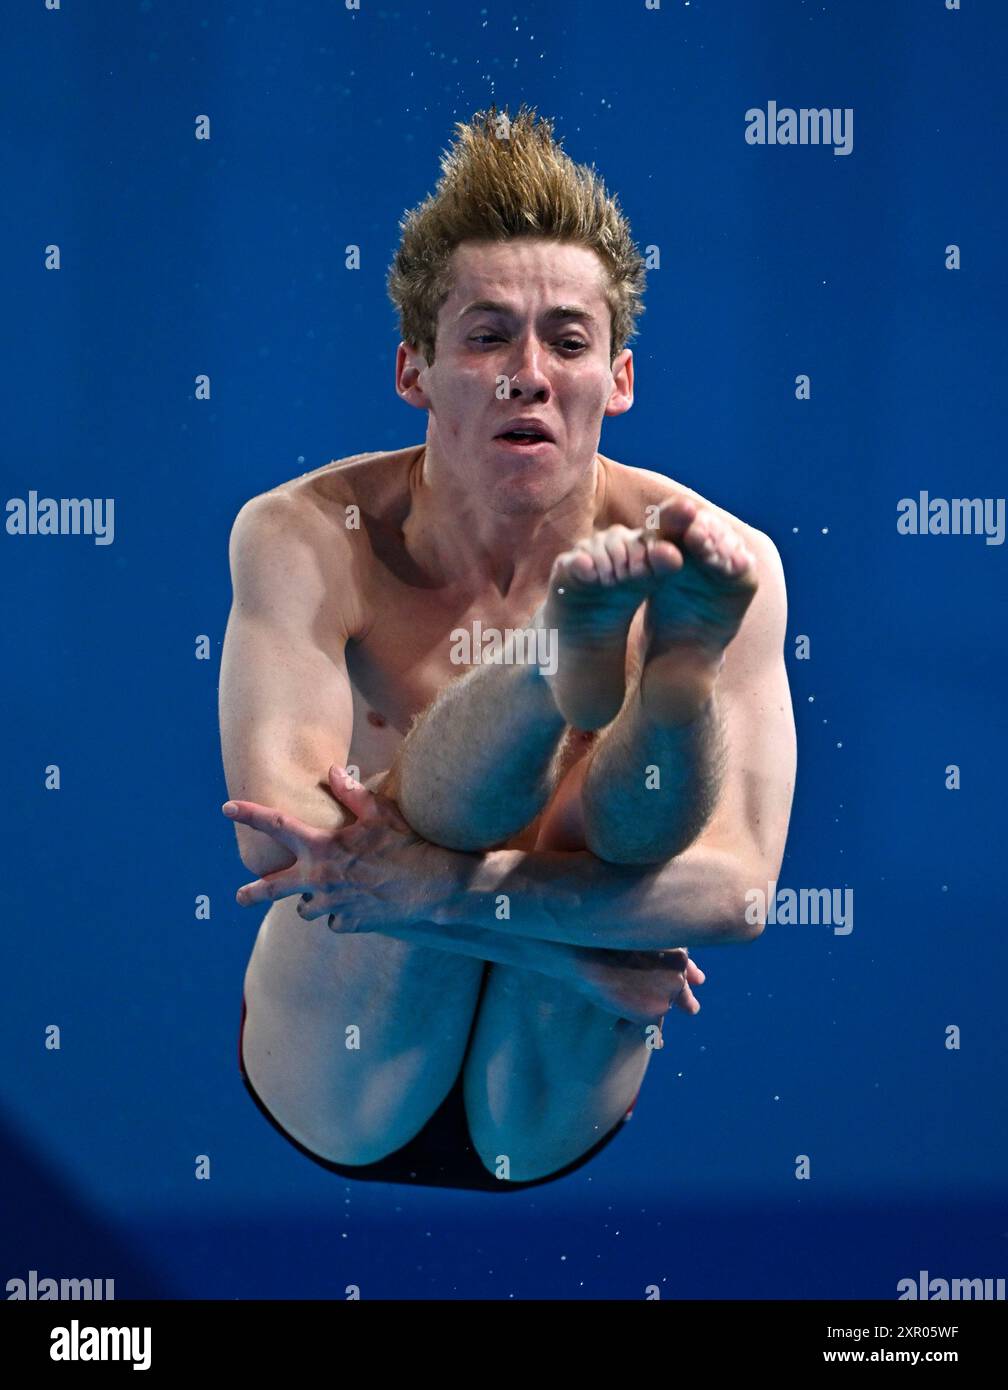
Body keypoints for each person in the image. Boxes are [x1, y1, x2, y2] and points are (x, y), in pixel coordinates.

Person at [218, 104, 796, 1191]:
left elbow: (740, 895)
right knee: (434, 810)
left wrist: (437, 889)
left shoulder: (718, 558)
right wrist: (567, 943)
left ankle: (667, 684)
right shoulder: (304, 534)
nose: (527, 371)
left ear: (618, 379)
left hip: (547, 1087)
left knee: (610, 821)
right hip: (338, 1062)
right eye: (486, 334)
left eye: (567, 340)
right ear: (415, 372)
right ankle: (546, 666)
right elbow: (282, 841)